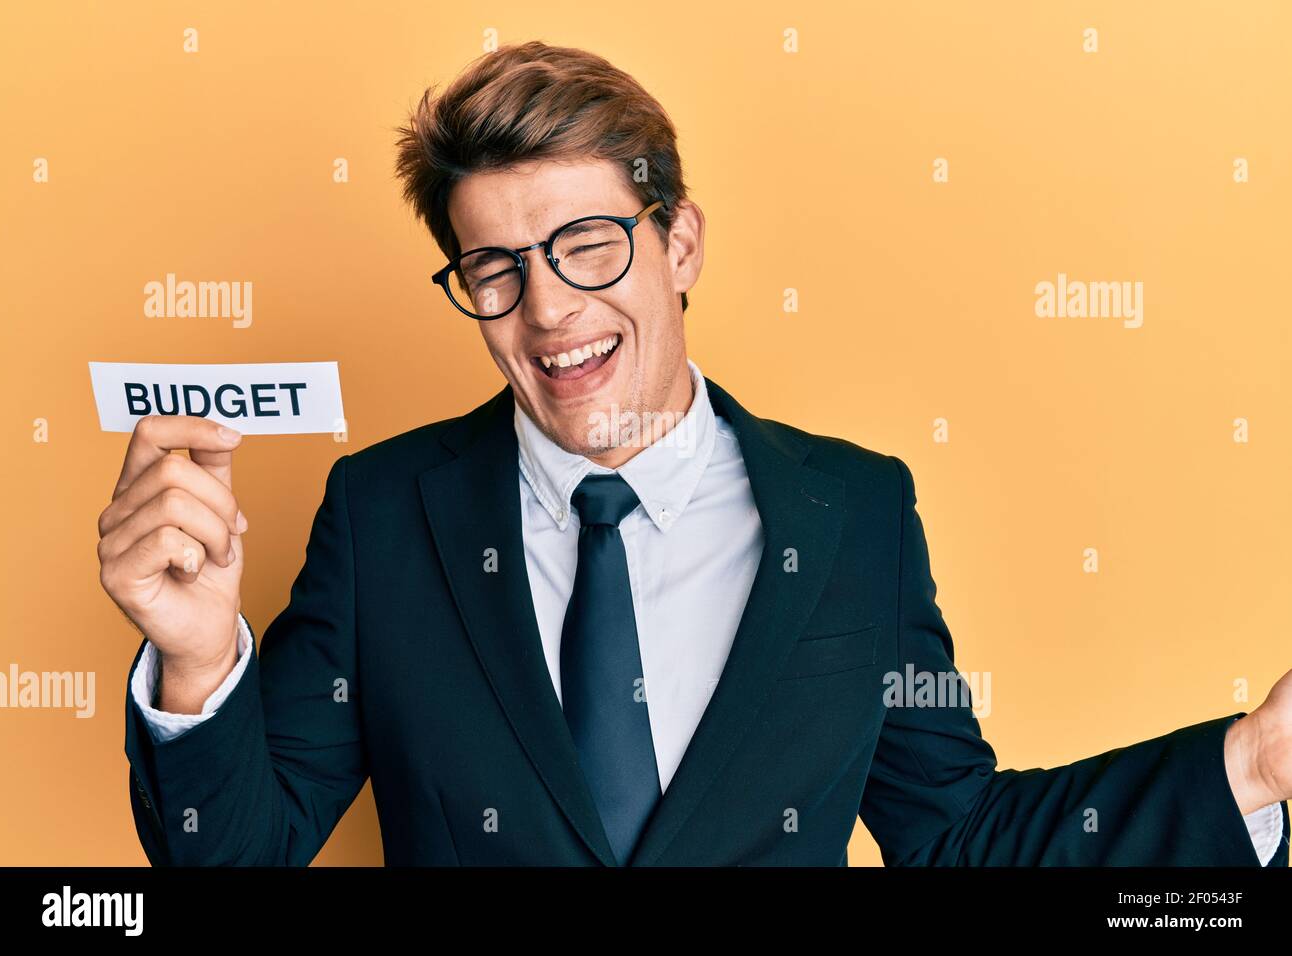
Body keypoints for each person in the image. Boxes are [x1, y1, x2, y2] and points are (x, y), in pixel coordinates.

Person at [98, 40, 1290, 866]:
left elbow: (955, 833)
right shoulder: (381, 512)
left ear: (680, 244)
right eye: (494, 269)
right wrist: (197, 666)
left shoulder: (858, 513)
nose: (549, 310)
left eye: (589, 244)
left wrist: (1245, 767)